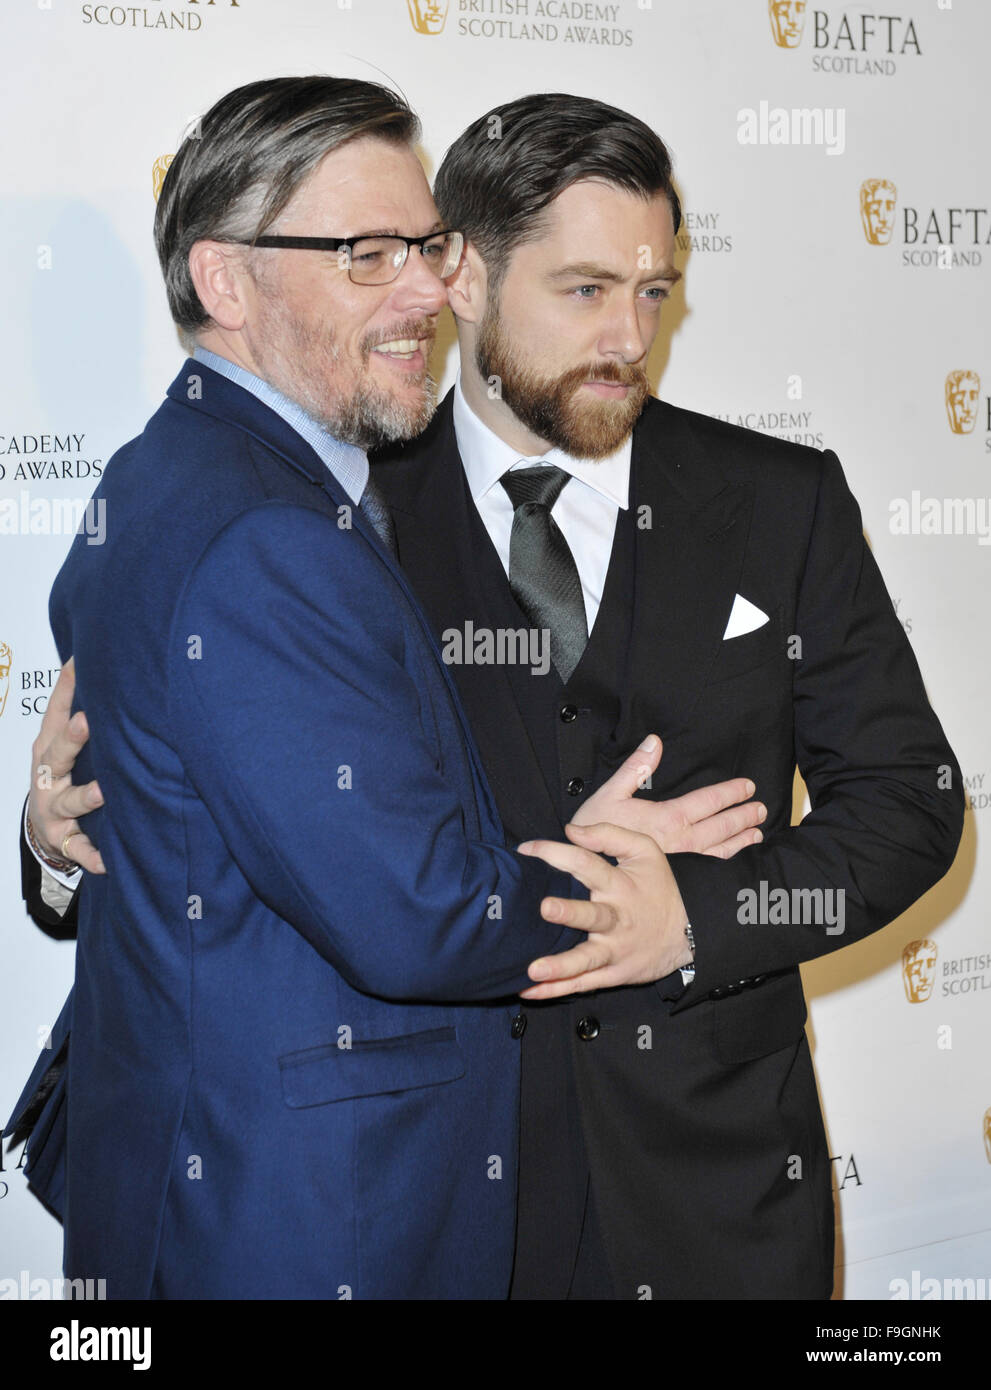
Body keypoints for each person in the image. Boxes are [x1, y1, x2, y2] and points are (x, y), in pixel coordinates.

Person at [20, 91, 962, 1301]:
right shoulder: (337, 507)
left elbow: (908, 806)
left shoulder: (781, 502)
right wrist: (56, 842)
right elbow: (207, 828)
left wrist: (692, 921)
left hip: (714, 1197)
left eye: (654, 290)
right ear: (465, 277)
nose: (631, 334)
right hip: (438, 1202)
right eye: (583, 291)